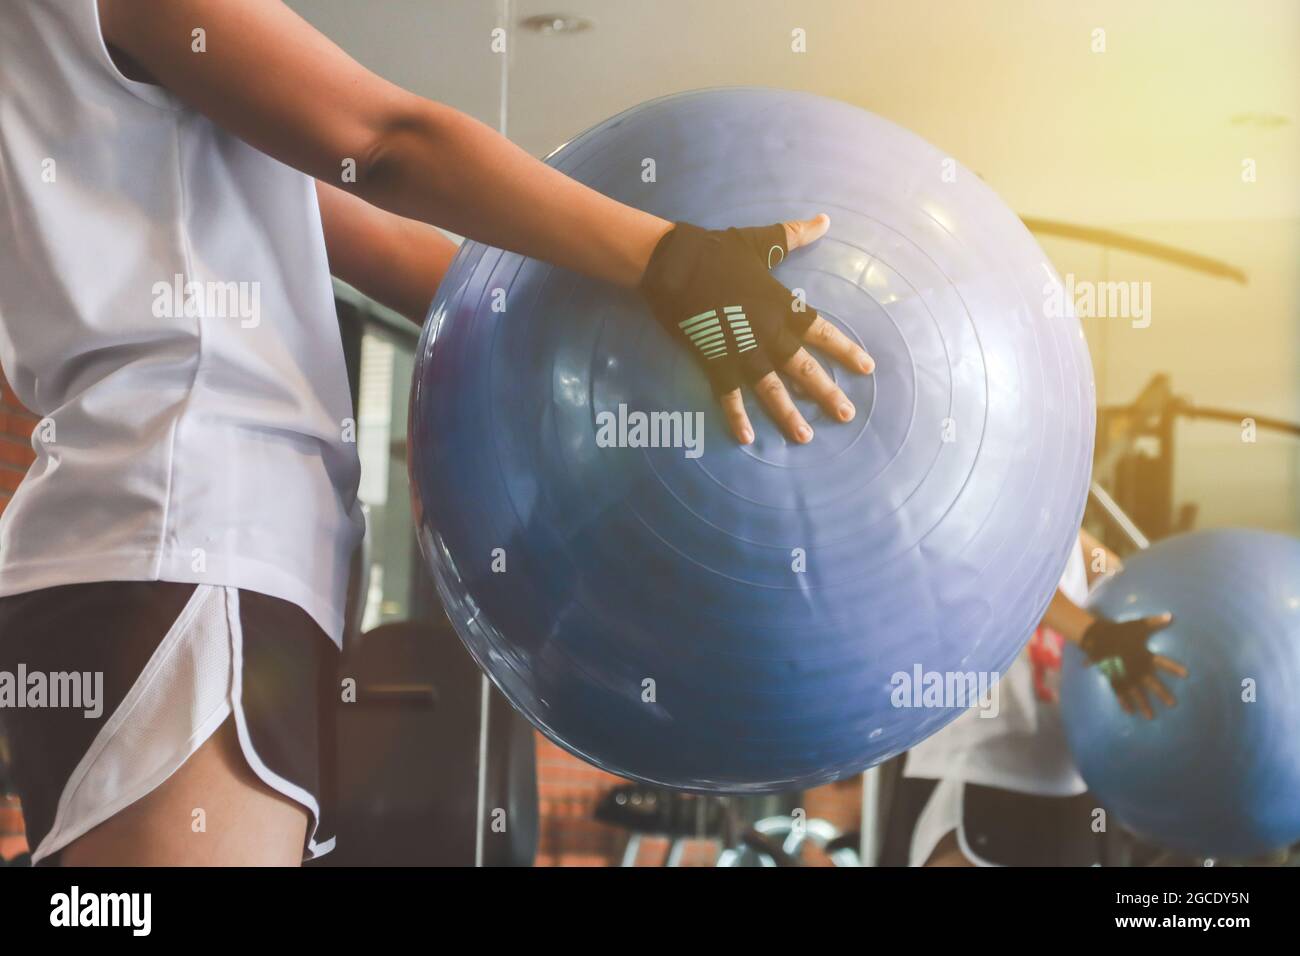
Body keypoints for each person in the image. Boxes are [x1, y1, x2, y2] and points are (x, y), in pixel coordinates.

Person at [0, 0, 874, 866]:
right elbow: (385, 142)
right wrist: (676, 262)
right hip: (191, 536)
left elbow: (378, 244)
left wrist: (626, 338)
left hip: (138, 544)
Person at [898, 530, 1188, 867]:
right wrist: (1097, 638)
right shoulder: (985, 501)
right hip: (985, 765)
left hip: (1069, 777)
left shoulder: (1066, 524)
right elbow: (1008, 570)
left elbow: (1125, 581)